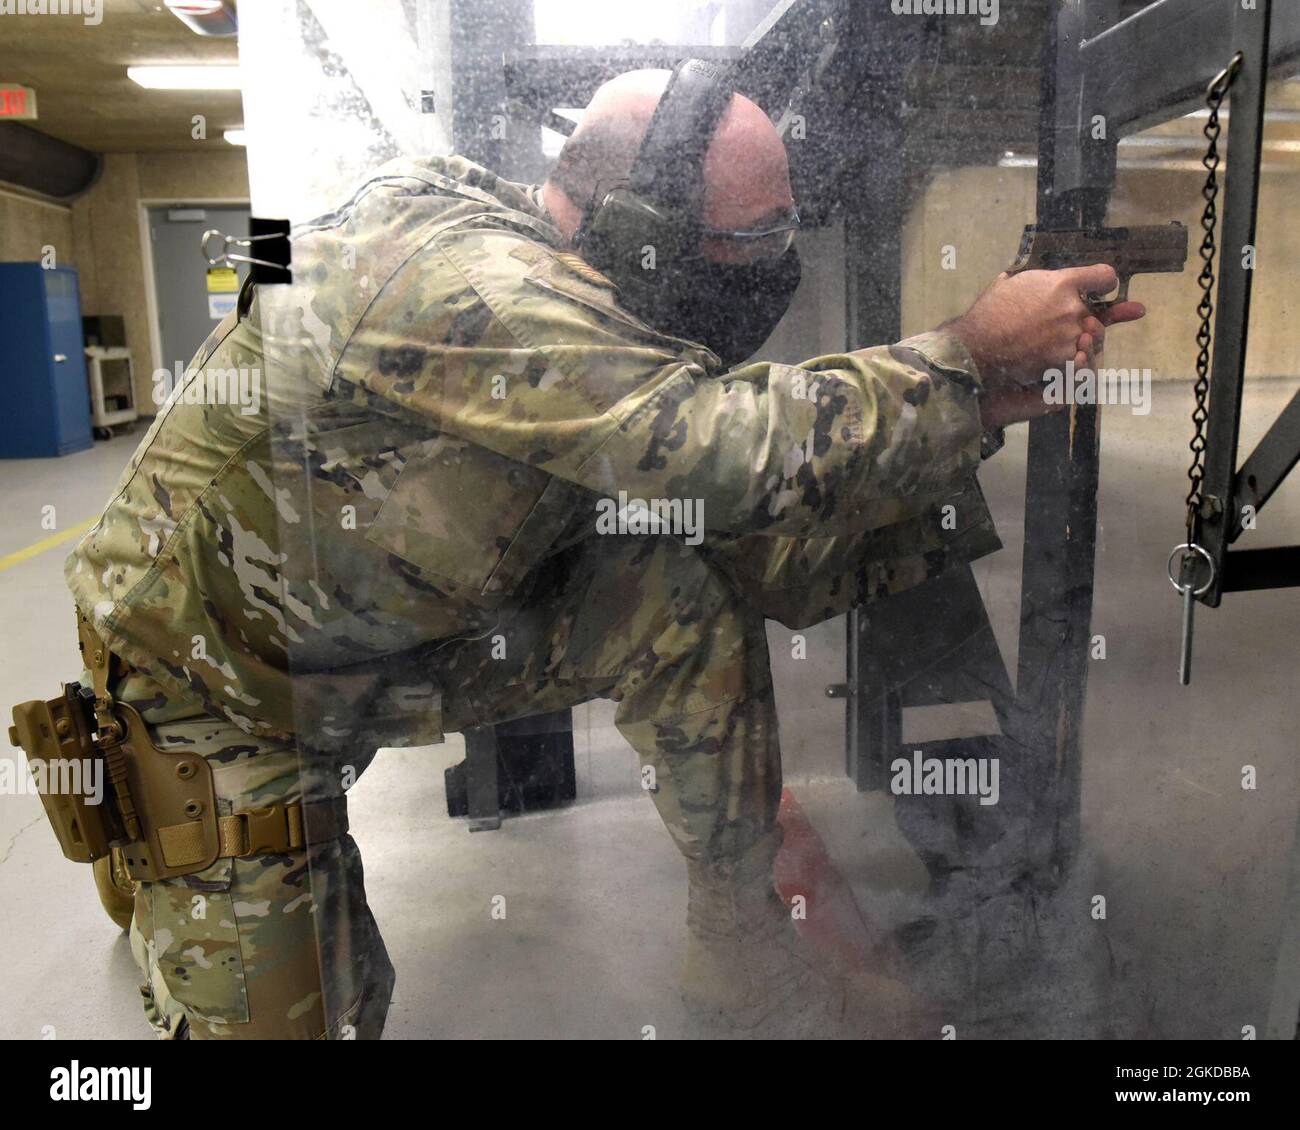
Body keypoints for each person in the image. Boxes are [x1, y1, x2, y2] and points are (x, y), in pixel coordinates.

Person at [60, 63, 1142, 1039]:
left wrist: (981, 394)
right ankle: (147, 844)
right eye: (752, 242)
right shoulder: (476, 288)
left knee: (680, 589)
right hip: (229, 682)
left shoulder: (540, 246)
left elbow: (716, 446)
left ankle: (742, 960)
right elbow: (715, 444)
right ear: (639, 224)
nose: (774, 267)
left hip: (410, 616)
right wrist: (965, 353)